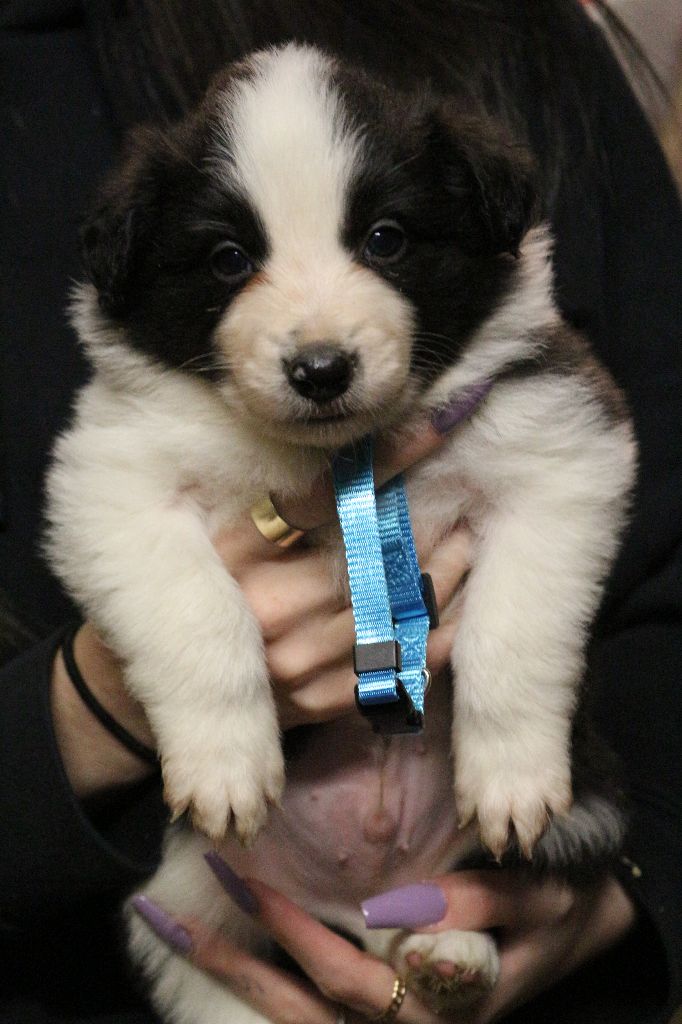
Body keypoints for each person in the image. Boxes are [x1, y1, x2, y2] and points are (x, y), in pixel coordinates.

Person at [1, 1, 680, 1022]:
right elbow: (107, 508)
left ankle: (444, 931)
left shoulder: (529, 45)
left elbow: (611, 511)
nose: (317, 338)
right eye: (233, 260)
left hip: (503, 887)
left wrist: (633, 873)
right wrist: (153, 703)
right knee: (183, 933)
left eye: (385, 237)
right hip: (170, 918)